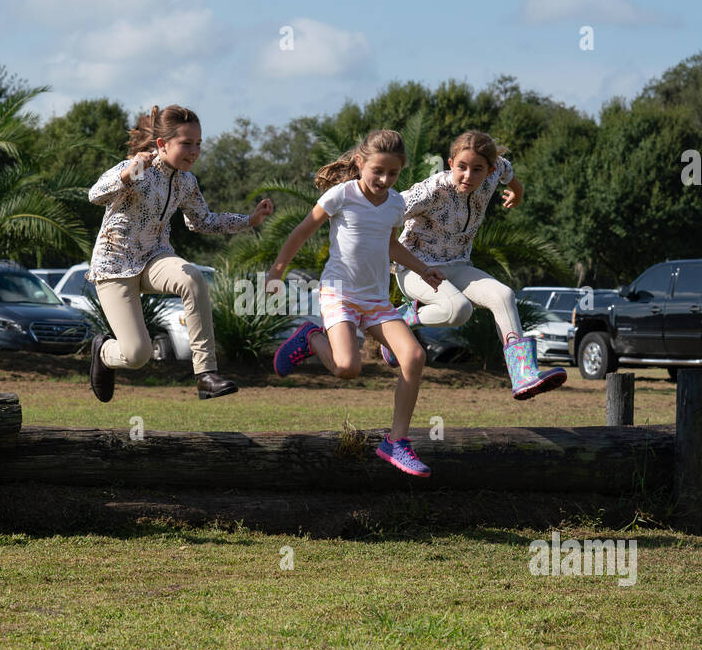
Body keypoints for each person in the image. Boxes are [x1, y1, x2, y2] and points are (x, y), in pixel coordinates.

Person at [266, 130, 445, 477]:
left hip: (376, 297)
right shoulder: (341, 195)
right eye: (378, 170)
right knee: (347, 368)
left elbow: (390, 245)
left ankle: (396, 441)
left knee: (414, 356)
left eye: (393, 174)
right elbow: (301, 232)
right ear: (360, 163)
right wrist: (276, 272)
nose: (384, 179)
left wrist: (423, 269)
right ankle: (310, 337)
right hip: (339, 293)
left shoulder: (396, 204)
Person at [86, 104, 274, 402]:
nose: (194, 151)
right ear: (163, 144)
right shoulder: (138, 168)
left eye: (199, 143)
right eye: (187, 143)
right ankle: (103, 350)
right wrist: (129, 171)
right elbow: (94, 194)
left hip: (154, 258)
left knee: (192, 278)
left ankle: (205, 375)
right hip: (115, 265)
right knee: (137, 355)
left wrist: (249, 221)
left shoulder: (187, 181)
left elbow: (203, 222)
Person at [391, 130, 565, 399]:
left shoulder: (496, 173)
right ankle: (400, 321)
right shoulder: (433, 189)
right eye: (461, 167)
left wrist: (517, 193)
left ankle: (523, 375)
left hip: (458, 264)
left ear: (490, 169)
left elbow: (510, 176)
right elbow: (388, 209)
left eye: (477, 169)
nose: (468, 176)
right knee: (459, 309)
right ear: (450, 164)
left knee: (504, 295)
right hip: (416, 268)